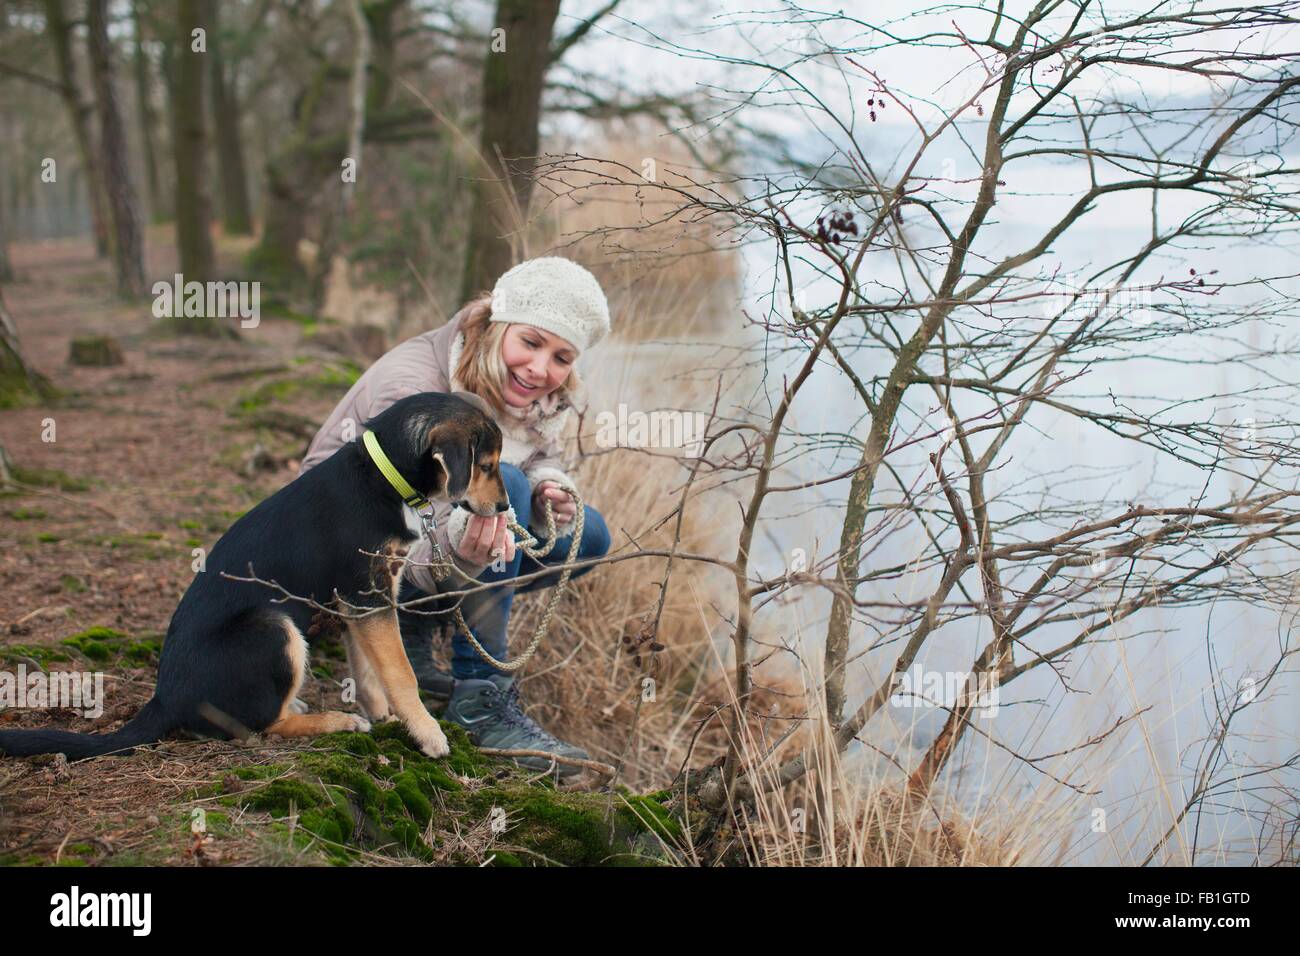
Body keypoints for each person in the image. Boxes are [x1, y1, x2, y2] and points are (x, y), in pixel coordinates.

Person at [298, 257, 612, 775]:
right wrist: (468, 540)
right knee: (503, 487)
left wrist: (548, 486)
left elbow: (535, 455)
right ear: (495, 325)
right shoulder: (416, 389)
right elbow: (385, 531)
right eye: (531, 343)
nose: (541, 369)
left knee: (589, 533)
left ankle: (418, 624)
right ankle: (480, 701)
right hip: (348, 555)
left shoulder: (535, 392)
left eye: (562, 356)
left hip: (435, 539)